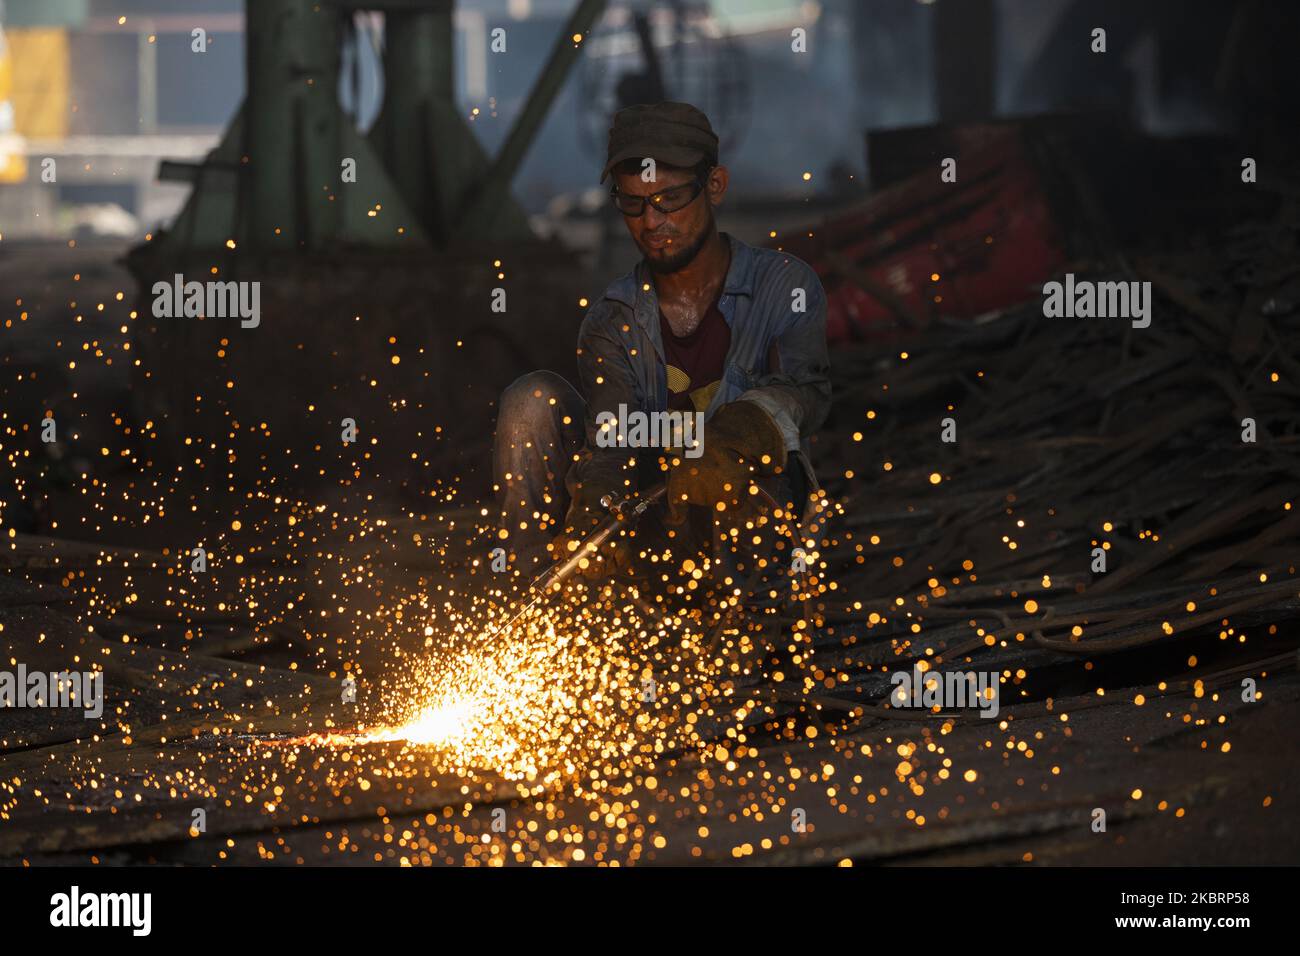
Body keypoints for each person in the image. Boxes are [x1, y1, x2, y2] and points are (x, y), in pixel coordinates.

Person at [493, 101, 830, 586]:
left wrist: (740, 431)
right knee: (530, 402)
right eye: (634, 203)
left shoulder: (785, 285)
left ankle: (752, 609)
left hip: (750, 515)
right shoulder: (612, 319)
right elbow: (612, 438)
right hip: (651, 520)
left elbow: (807, 392)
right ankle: (541, 604)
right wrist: (593, 510)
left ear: (714, 185)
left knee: (758, 463)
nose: (651, 223)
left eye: (669, 199)